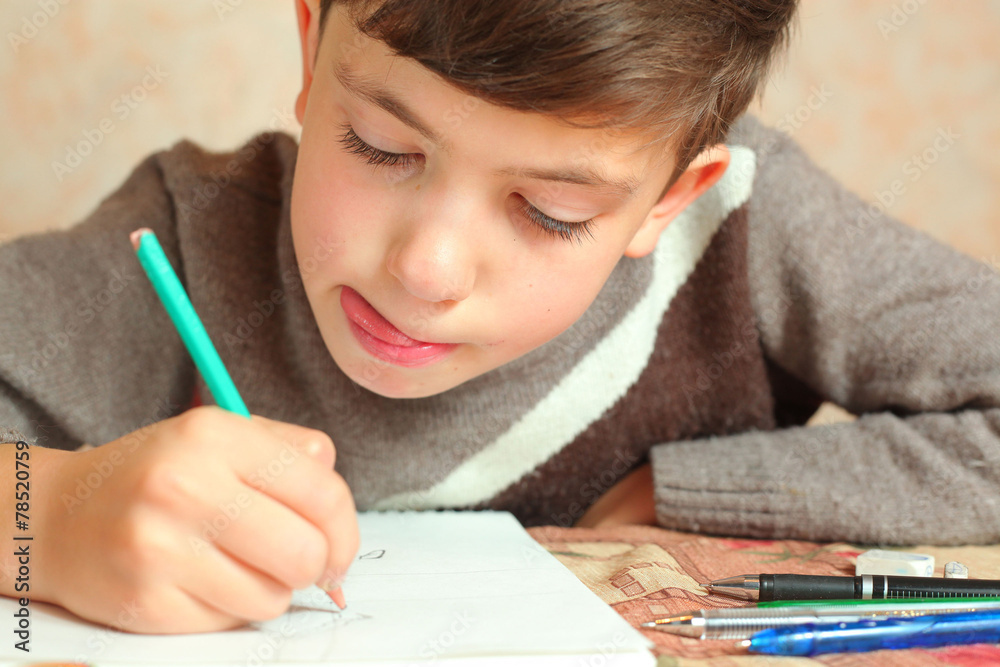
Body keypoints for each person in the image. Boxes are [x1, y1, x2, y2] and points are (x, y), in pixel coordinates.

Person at [3, 0, 1000, 635]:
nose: (426, 269)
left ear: (669, 199)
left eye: (549, 211)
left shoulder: (752, 228)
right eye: (381, 144)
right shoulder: (181, 243)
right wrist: (44, 515)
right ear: (311, 42)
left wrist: (695, 489)